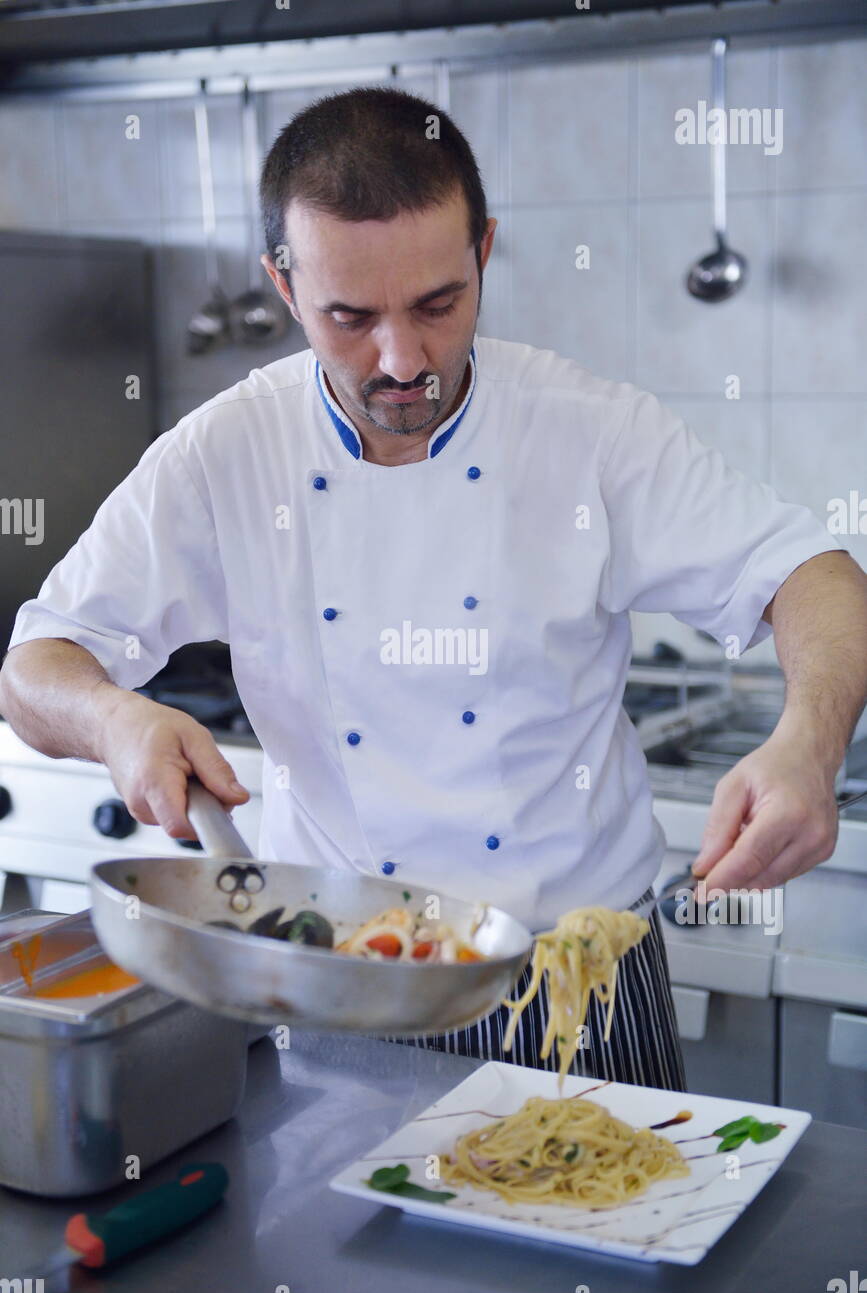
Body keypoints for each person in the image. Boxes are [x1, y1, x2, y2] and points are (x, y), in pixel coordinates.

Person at [2, 88, 866, 1091]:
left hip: (573, 979)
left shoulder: (590, 433)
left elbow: (819, 576)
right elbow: (36, 663)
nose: (403, 360)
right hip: (332, 978)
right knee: (322, 1247)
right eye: (350, 317)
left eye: (437, 304)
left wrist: (808, 744)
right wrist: (114, 721)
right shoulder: (226, 453)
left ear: (484, 252)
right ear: (283, 286)